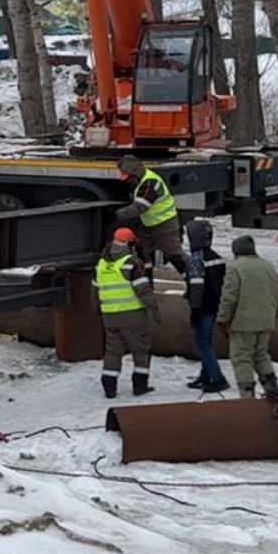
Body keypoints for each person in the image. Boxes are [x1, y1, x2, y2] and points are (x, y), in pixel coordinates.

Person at [94, 228, 160, 399]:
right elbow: (143, 289)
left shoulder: (101, 264)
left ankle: (109, 388)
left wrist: (98, 310)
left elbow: (93, 292)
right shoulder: (131, 263)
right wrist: (154, 308)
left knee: (113, 352)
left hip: (110, 318)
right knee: (141, 350)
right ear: (129, 243)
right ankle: (140, 386)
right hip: (133, 316)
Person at [218, 235, 278, 399]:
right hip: (265, 321)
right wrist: (272, 317)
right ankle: (272, 388)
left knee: (242, 358)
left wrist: (222, 319)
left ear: (236, 251)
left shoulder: (235, 267)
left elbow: (229, 297)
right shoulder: (268, 266)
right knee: (261, 354)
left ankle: (247, 395)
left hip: (243, 323)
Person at [115, 155, 186, 271]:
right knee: (141, 252)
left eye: (128, 178)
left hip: (164, 225)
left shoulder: (150, 183)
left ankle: (195, 282)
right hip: (149, 226)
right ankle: (145, 280)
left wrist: (118, 214)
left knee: (176, 257)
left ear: (135, 174)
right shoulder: (141, 180)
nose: (127, 181)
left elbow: (140, 207)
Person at [182, 220, 229, 393]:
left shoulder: (196, 260)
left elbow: (197, 287)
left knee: (201, 345)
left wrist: (194, 309)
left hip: (202, 308)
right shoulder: (217, 257)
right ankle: (205, 375)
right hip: (214, 306)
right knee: (207, 343)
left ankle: (218, 378)